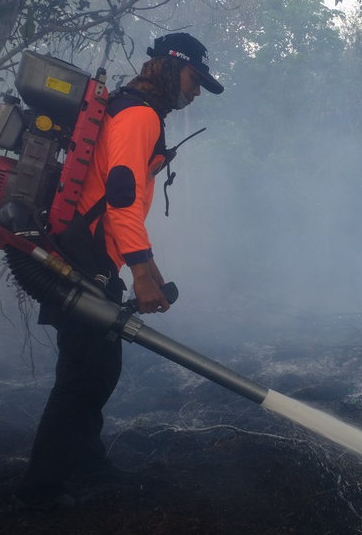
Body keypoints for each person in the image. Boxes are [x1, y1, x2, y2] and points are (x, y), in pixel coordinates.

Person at [14, 32, 224, 509]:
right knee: (88, 374)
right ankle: (39, 492)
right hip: (86, 254)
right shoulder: (138, 115)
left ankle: (86, 464)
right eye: (195, 79)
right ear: (171, 67)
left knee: (89, 366)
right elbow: (121, 197)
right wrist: (142, 271)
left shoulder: (131, 110)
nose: (196, 91)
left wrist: (139, 263)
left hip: (85, 252)